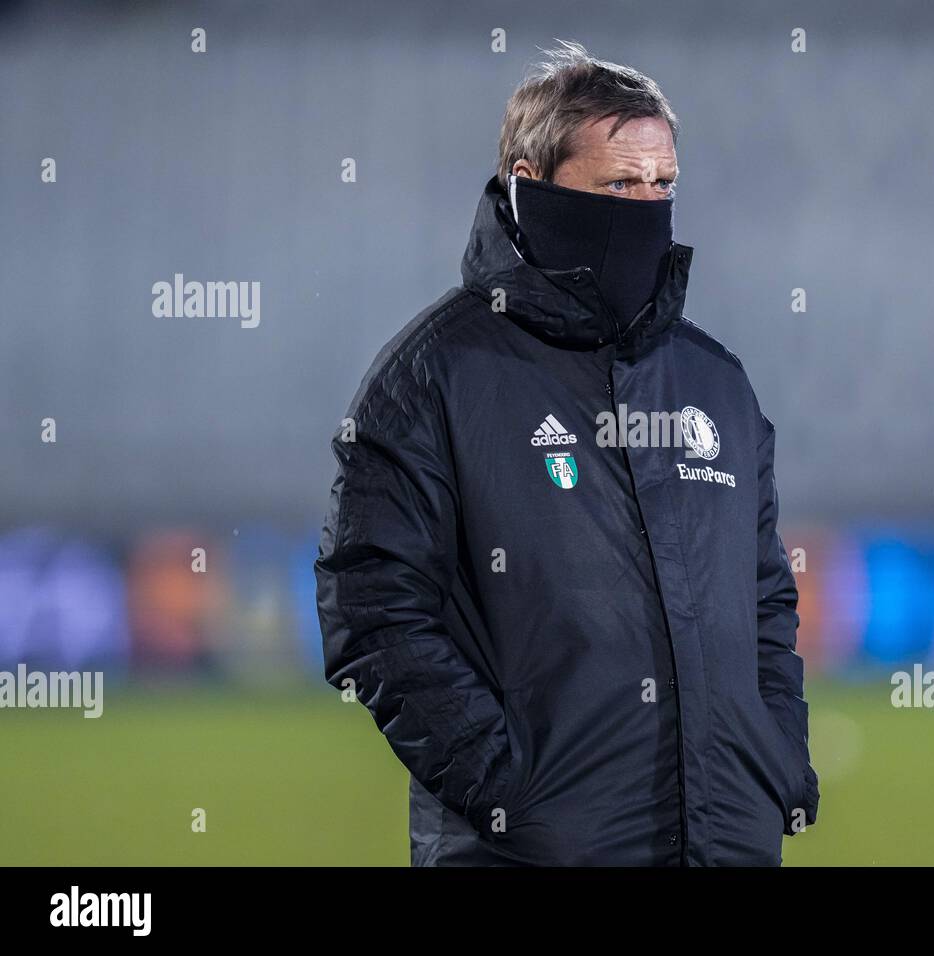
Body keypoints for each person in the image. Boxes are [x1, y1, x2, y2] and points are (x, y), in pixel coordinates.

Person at [315, 41, 817, 866]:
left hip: (725, 844)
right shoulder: (436, 376)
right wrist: (508, 788)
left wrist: (775, 764)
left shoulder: (714, 382)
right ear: (532, 181)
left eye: (663, 184)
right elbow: (372, 607)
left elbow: (764, 601)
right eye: (621, 183)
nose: (648, 205)